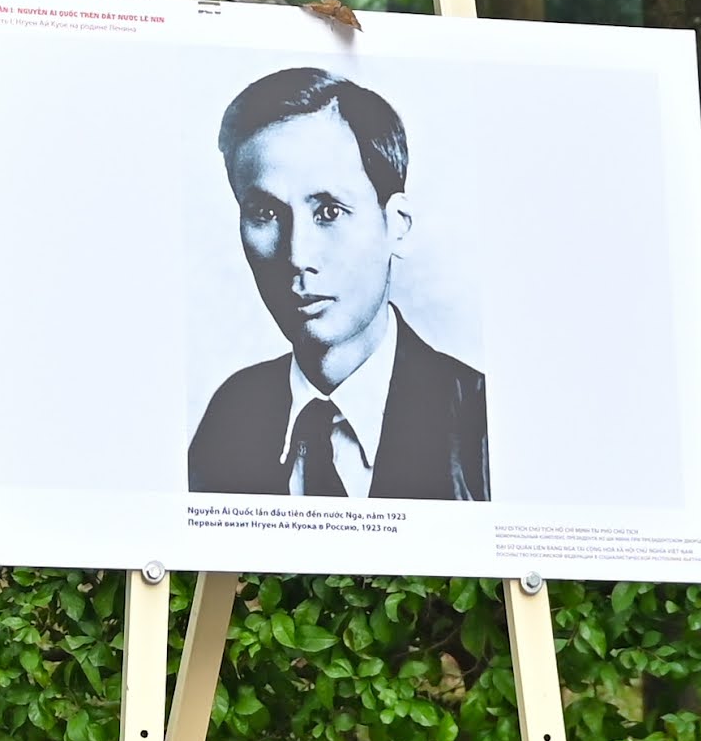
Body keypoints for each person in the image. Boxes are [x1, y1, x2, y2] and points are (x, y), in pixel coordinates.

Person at [182, 67, 492, 501]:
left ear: (396, 225)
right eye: (265, 213)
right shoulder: (232, 415)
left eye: (329, 211)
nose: (297, 256)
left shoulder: (482, 422)